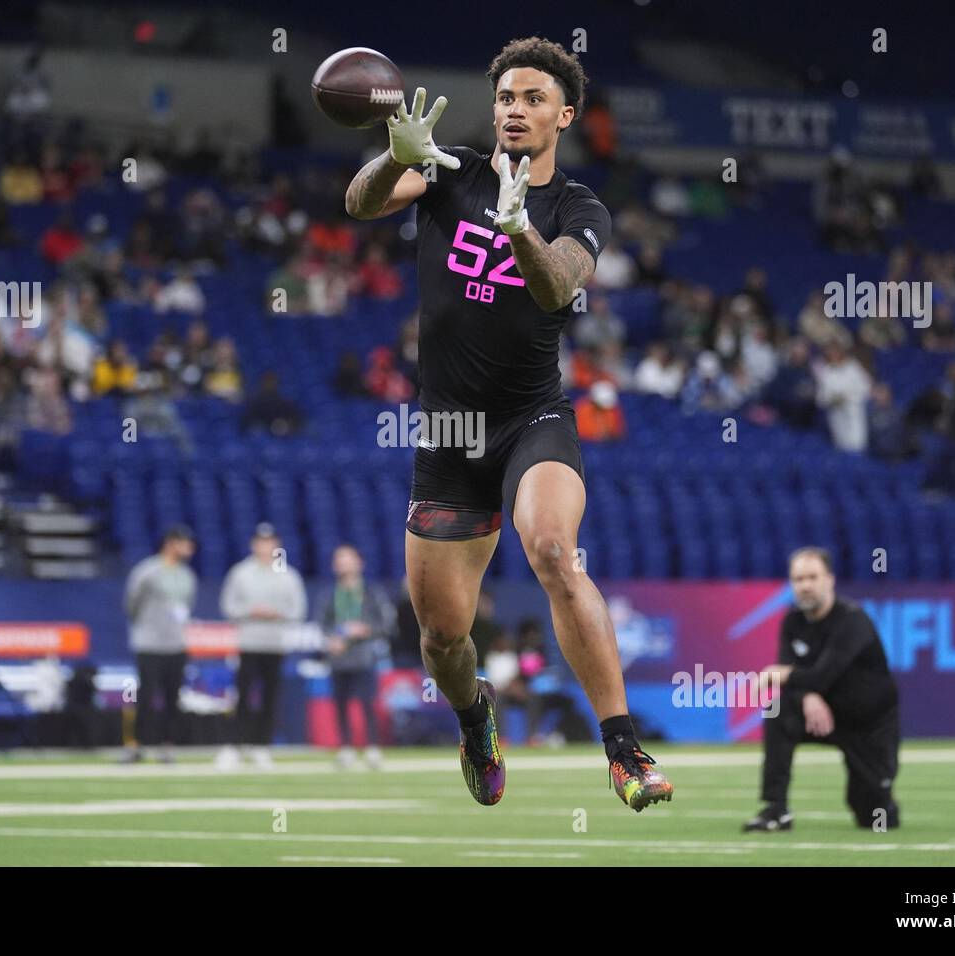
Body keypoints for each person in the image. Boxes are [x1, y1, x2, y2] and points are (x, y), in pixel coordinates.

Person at [343, 36, 673, 811]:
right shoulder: (449, 168)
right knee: (443, 639)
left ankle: (624, 751)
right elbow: (358, 204)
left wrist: (519, 224)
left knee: (556, 549)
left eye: (531, 99)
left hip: (533, 419)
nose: (514, 110)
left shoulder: (579, 207)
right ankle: (474, 720)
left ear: (565, 114)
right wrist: (395, 158)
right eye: (504, 98)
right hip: (449, 436)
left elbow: (558, 287)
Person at [746, 547, 901, 832]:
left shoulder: (853, 620)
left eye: (812, 577)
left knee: (874, 816)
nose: (805, 585)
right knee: (778, 713)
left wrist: (780, 675)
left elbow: (817, 674)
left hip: (869, 724)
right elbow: (800, 675)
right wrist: (808, 695)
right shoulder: (792, 621)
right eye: (798, 579)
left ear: (830, 579)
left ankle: (884, 796)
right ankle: (775, 809)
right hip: (823, 716)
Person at [216, 523, 307, 769]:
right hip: (248, 643)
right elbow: (228, 606)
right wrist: (251, 611)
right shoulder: (240, 573)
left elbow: (298, 610)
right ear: (253, 545)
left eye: (269, 542)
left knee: (270, 698)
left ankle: (260, 746)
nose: (265, 546)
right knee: (243, 696)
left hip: (274, 645)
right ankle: (234, 746)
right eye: (261, 542)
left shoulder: (289, 576)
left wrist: (277, 614)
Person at [121, 525, 197, 764]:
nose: (189, 548)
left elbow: (186, 607)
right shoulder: (147, 571)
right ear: (171, 543)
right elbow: (131, 603)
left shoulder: (186, 575)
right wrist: (145, 628)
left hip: (176, 644)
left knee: (172, 697)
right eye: (185, 543)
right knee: (146, 696)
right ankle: (136, 746)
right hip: (150, 643)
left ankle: (167, 746)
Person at [315, 544, 396, 769]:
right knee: (340, 704)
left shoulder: (372, 593)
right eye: (339, 559)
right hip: (339, 657)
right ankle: (346, 748)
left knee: (367, 703)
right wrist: (332, 639)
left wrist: (366, 629)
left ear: (360, 563)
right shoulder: (329, 594)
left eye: (348, 559)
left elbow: (387, 624)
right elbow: (321, 624)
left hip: (364, 656)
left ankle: (372, 747)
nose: (344, 564)